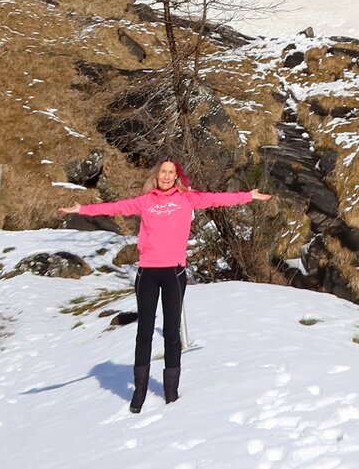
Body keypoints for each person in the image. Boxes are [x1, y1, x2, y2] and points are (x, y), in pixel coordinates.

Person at [60, 159, 272, 411]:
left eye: (171, 172)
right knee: (144, 333)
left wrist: (248, 195)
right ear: (157, 175)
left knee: (171, 333)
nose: (167, 176)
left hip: (174, 273)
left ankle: (171, 390)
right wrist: (82, 209)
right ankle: (139, 391)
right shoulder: (145, 201)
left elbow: (217, 199)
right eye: (163, 172)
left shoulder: (187, 198)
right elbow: (116, 207)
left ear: (176, 177)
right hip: (147, 273)